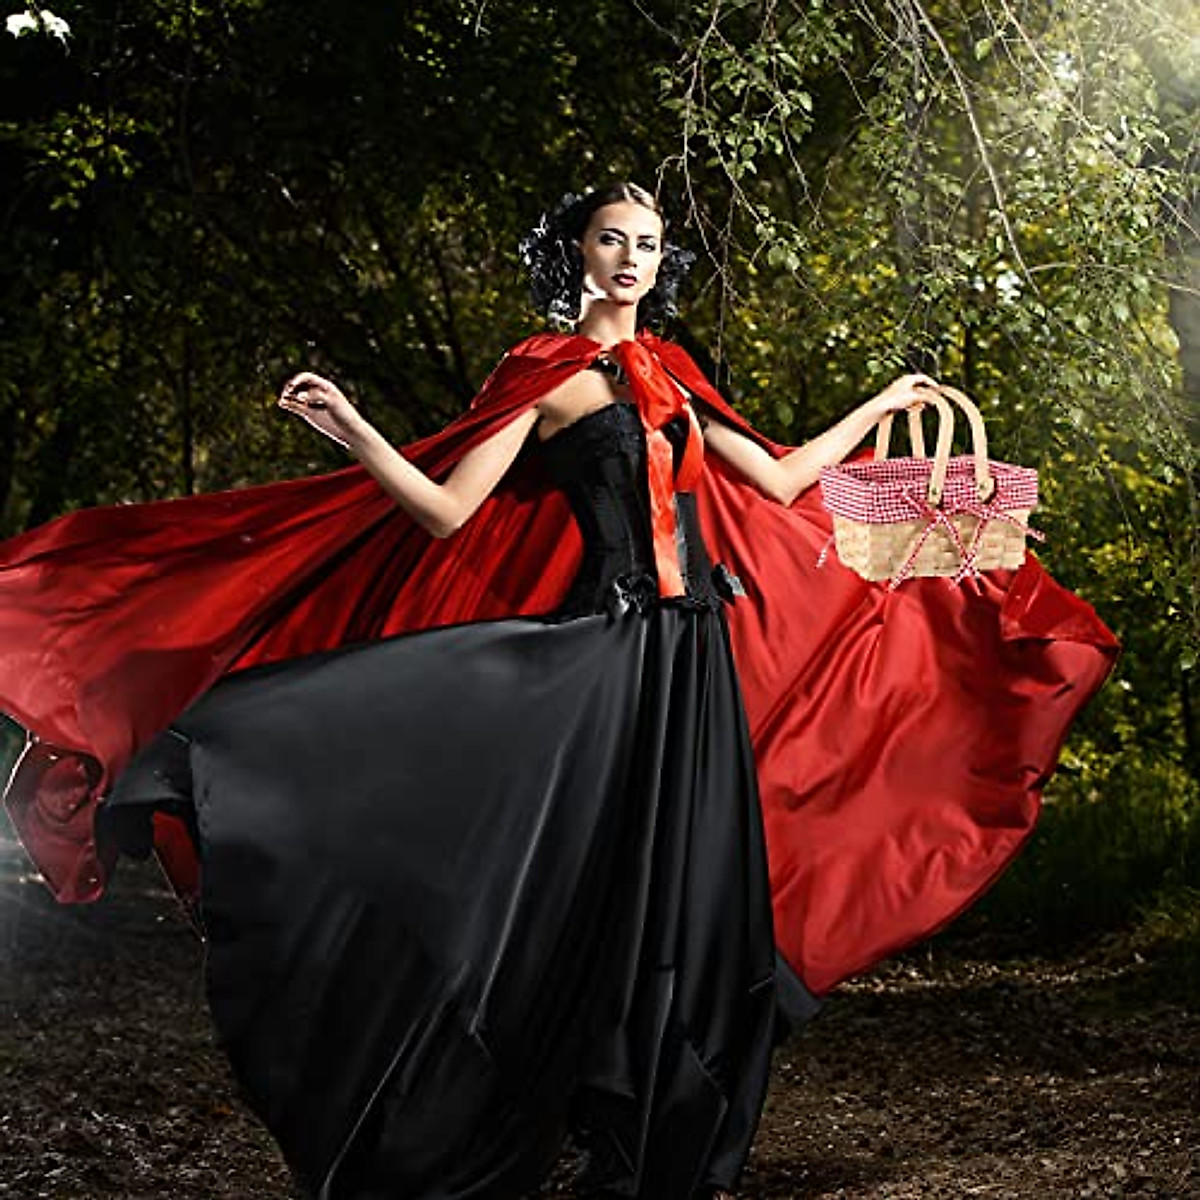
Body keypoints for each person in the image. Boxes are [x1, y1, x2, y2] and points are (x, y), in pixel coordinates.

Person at [0, 182, 1118, 1200]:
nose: (631, 259)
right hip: (608, 651)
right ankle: (232, 807)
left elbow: (779, 479)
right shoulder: (548, 380)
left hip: (696, 660)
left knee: (688, 896)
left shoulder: (672, 374)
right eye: (611, 240)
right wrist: (352, 429)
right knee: (580, 888)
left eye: (647, 245)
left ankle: (637, 1129)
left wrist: (880, 411)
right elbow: (445, 512)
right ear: (574, 253)